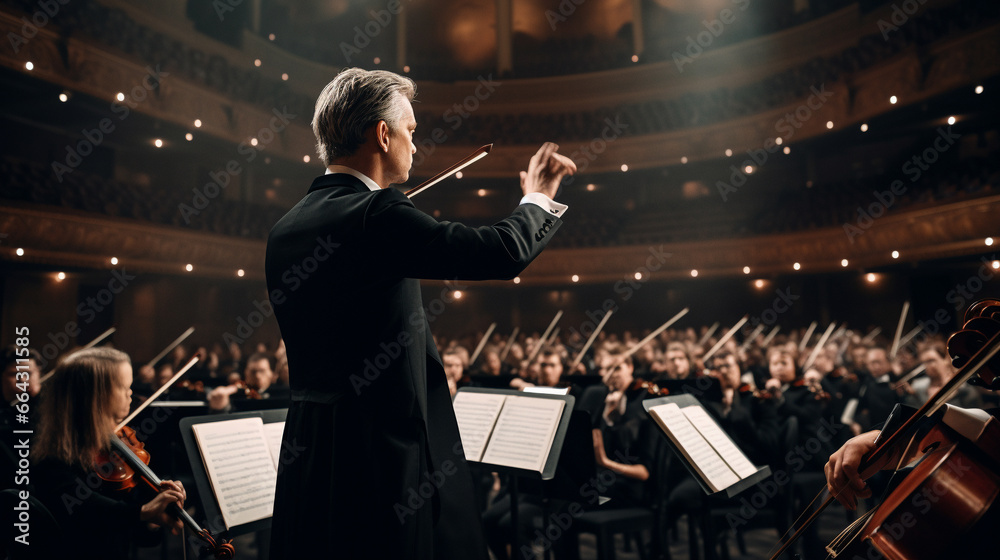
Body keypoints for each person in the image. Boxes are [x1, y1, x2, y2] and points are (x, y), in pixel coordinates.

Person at [265, 67, 575, 559]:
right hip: (379, 451)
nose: (416, 143)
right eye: (411, 130)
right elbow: (497, 252)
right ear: (382, 134)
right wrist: (537, 196)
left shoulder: (286, 226)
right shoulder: (375, 214)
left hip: (312, 445)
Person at [30, 347, 186, 560]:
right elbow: (85, 509)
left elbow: (139, 537)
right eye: (124, 387)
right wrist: (142, 511)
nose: (131, 393)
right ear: (92, 397)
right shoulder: (52, 462)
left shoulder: (116, 452)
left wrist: (152, 518)